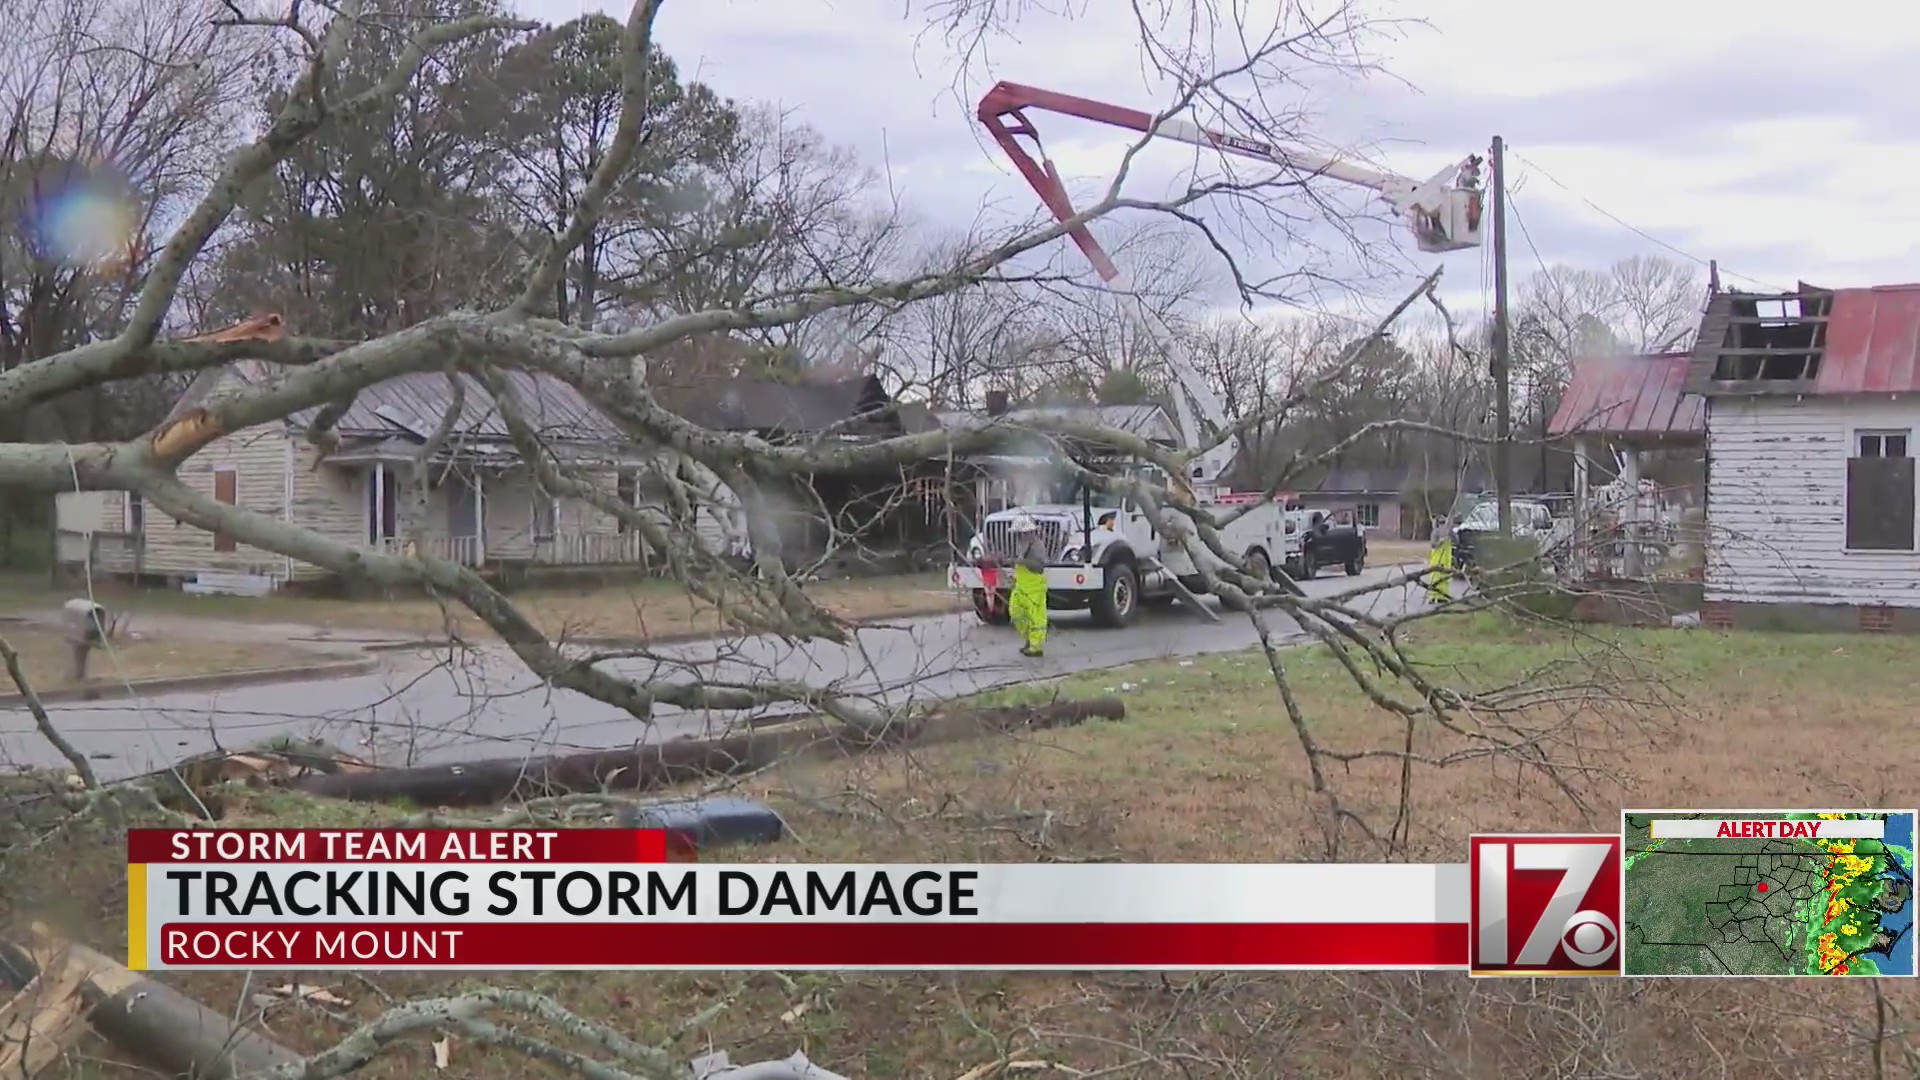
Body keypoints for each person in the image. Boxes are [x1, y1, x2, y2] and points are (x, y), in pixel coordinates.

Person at [1007, 514, 1050, 657]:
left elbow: (1039, 566)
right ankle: (1027, 640)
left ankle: (1035, 646)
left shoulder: (1037, 546)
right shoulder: (1022, 545)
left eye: (1021, 534)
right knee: (1016, 612)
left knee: (1035, 617)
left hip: (1034, 588)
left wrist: (1022, 562)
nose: (1019, 537)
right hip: (1021, 586)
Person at [1423, 530, 1455, 605]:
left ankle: (1443, 596)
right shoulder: (1436, 532)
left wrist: (1451, 536)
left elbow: (1456, 541)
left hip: (1446, 561)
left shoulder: (1450, 532)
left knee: (1445, 579)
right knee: (1435, 578)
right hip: (1437, 560)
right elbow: (1433, 544)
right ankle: (1434, 597)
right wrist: (1440, 542)